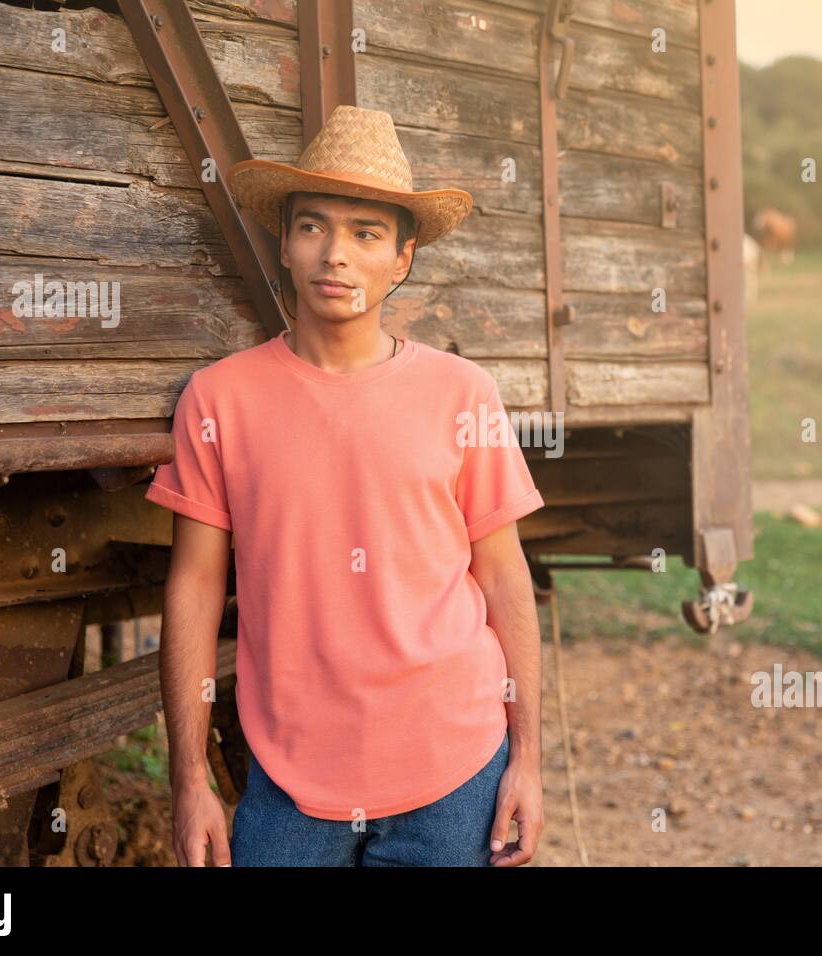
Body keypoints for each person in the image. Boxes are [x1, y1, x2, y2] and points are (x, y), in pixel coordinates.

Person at [145, 105, 546, 867]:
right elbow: (194, 588)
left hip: (455, 771)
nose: (336, 254)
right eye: (313, 228)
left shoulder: (464, 395)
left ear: (402, 259)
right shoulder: (219, 400)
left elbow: (503, 575)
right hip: (290, 786)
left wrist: (526, 758)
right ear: (286, 245)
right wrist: (189, 780)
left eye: (366, 233)